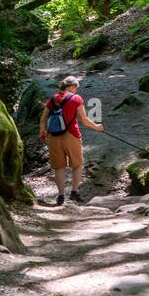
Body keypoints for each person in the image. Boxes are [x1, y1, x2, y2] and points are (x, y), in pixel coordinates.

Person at [39, 75, 104, 205]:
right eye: (76, 87)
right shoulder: (76, 98)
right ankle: (74, 192)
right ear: (72, 86)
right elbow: (84, 120)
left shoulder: (52, 99)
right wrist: (96, 127)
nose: (76, 90)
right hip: (71, 135)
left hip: (53, 136)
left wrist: (42, 131)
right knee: (77, 164)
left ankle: (61, 196)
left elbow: (43, 118)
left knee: (59, 167)